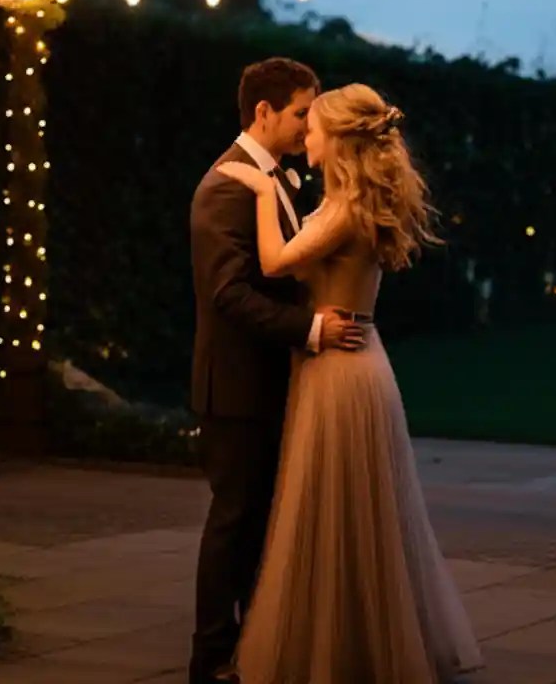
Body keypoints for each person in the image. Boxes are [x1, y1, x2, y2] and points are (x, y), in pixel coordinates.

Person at [217, 83, 483, 683]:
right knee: (355, 514)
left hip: (339, 370)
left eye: (313, 127)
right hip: (353, 360)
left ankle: (337, 654)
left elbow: (275, 262)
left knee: (334, 510)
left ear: (337, 139)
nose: (305, 135)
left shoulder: (343, 211)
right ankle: (356, 644)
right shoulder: (351, 204)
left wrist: (260, 190)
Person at [186, 57, 366, 684]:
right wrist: (311, 329)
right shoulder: (225, 187)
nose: (307, 126)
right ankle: (210, 659)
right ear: (262, 112)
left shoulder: (278, 179)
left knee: (259, 522)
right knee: (234, 522)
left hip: (270, 382)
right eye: (299, 114)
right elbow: (229, 294)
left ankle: (253, 647)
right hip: (237, 389)